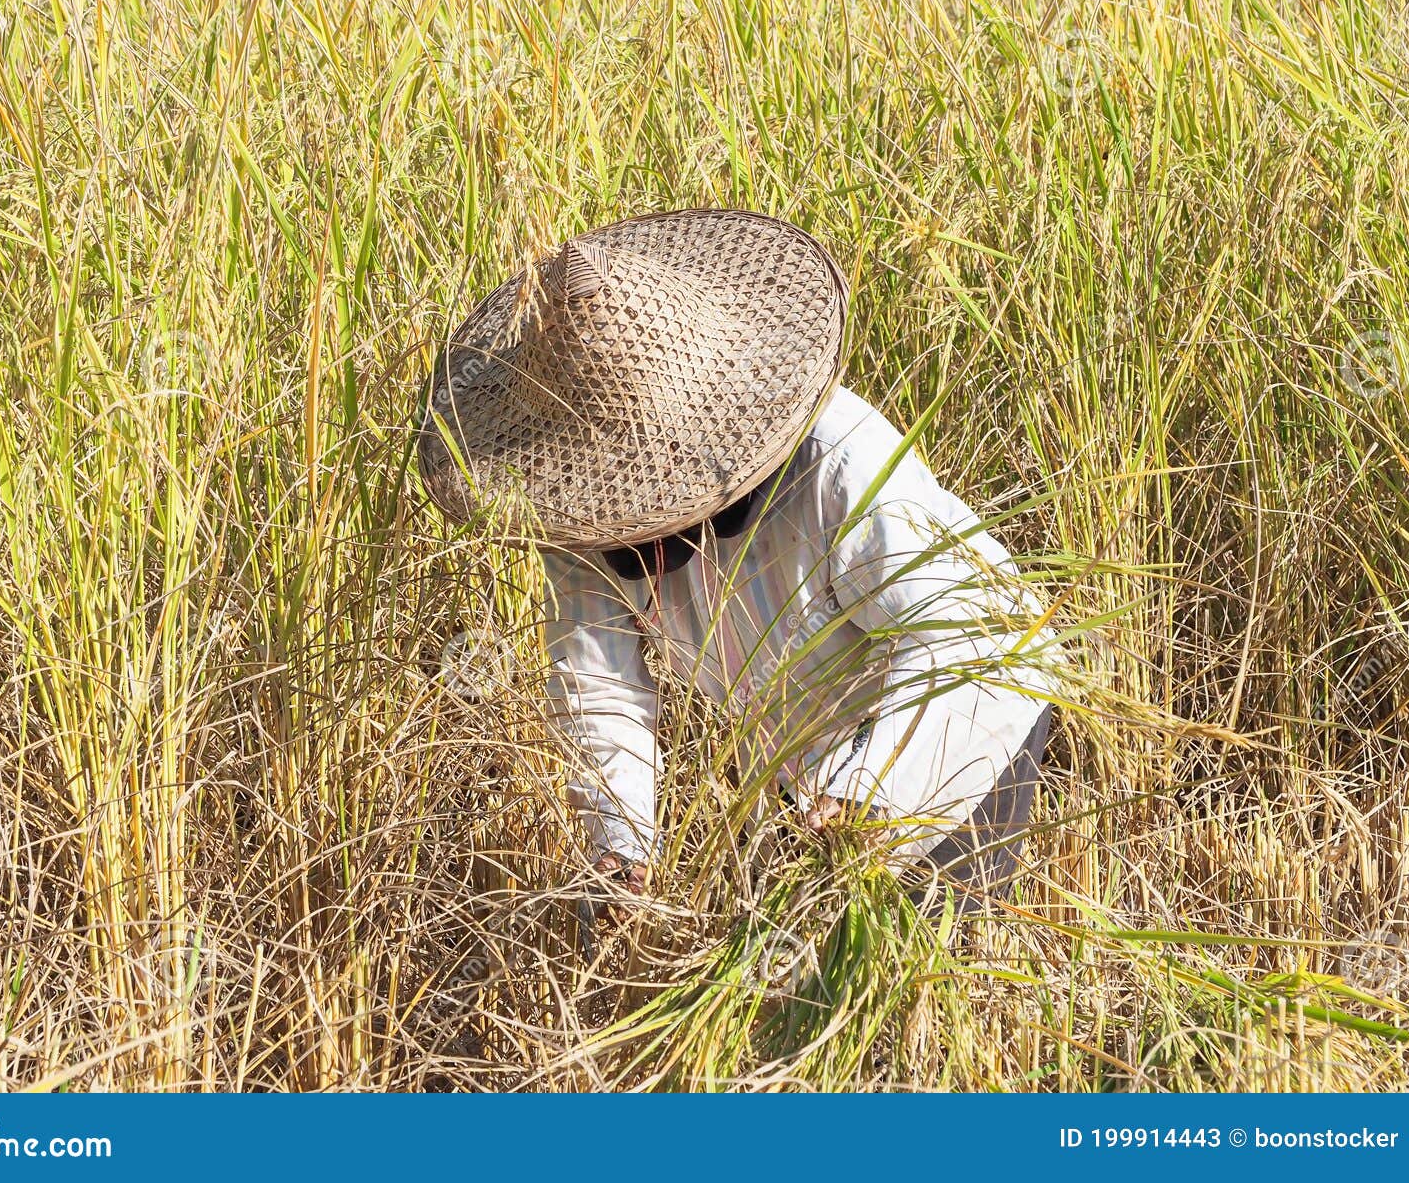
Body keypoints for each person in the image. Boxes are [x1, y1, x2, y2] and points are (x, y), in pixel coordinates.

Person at [419, 209, 1059, 912]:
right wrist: (619, 840)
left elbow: (963, 643)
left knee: (925, 957)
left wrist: (864, 797)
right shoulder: (572, 496)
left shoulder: (842, 468)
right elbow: (599, 678)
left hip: (964, 701)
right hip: (798, 739)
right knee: (800, 978)